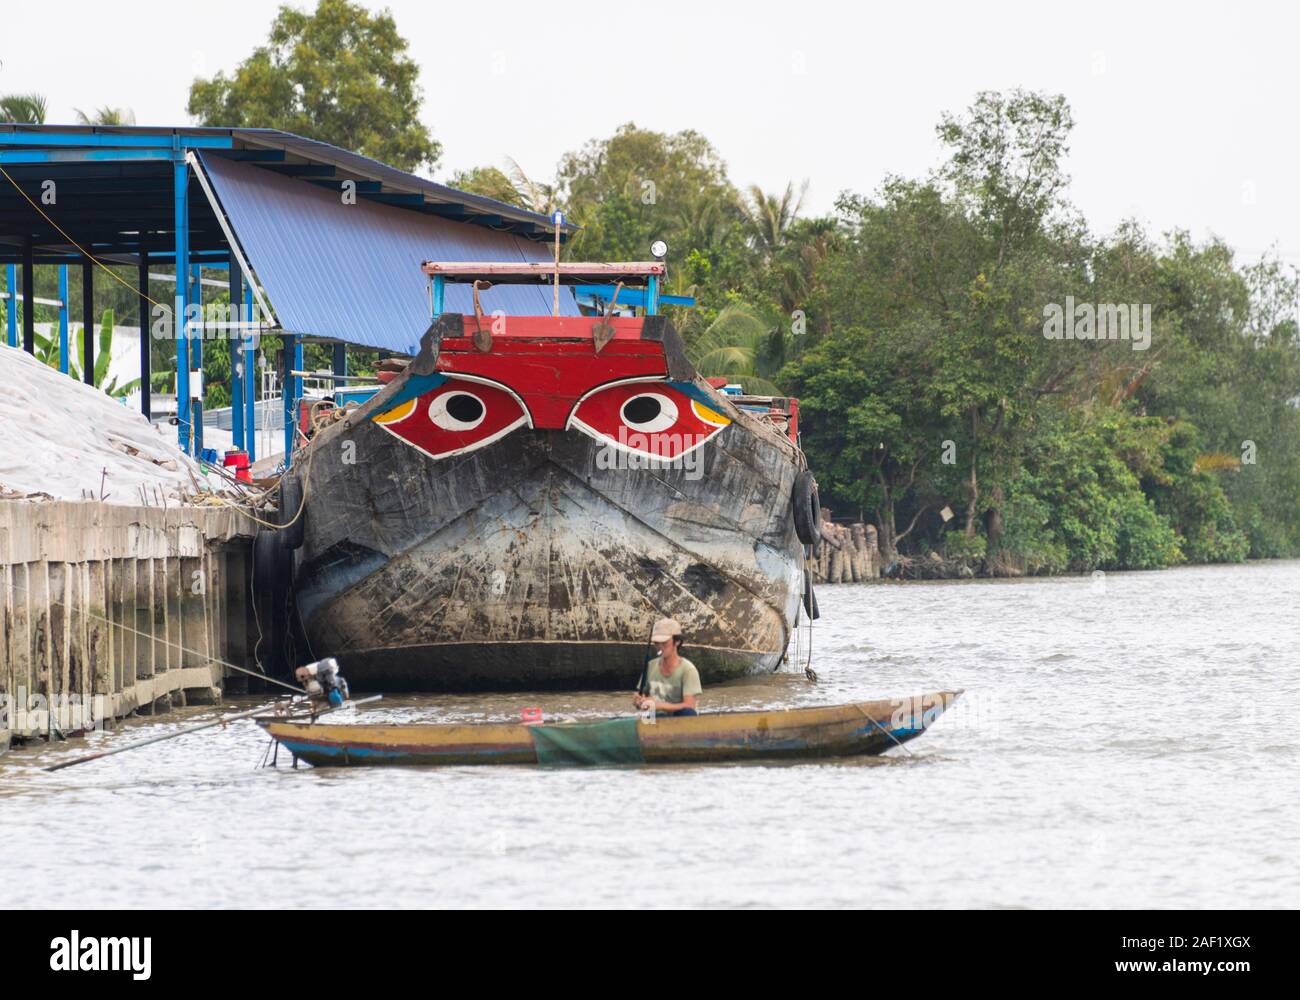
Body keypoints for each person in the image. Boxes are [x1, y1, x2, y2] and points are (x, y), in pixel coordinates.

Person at [632, 618, 702, 717]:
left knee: (688, 712)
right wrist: (639, 701)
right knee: (652, 716)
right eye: (656, 643)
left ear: (677, 641)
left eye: (664, 642)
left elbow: (689, 705)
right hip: (655, 718)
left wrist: (659, 705)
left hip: (679, 719)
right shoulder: (650, 666)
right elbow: (642, 697)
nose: (660, 647)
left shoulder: (688, 670)